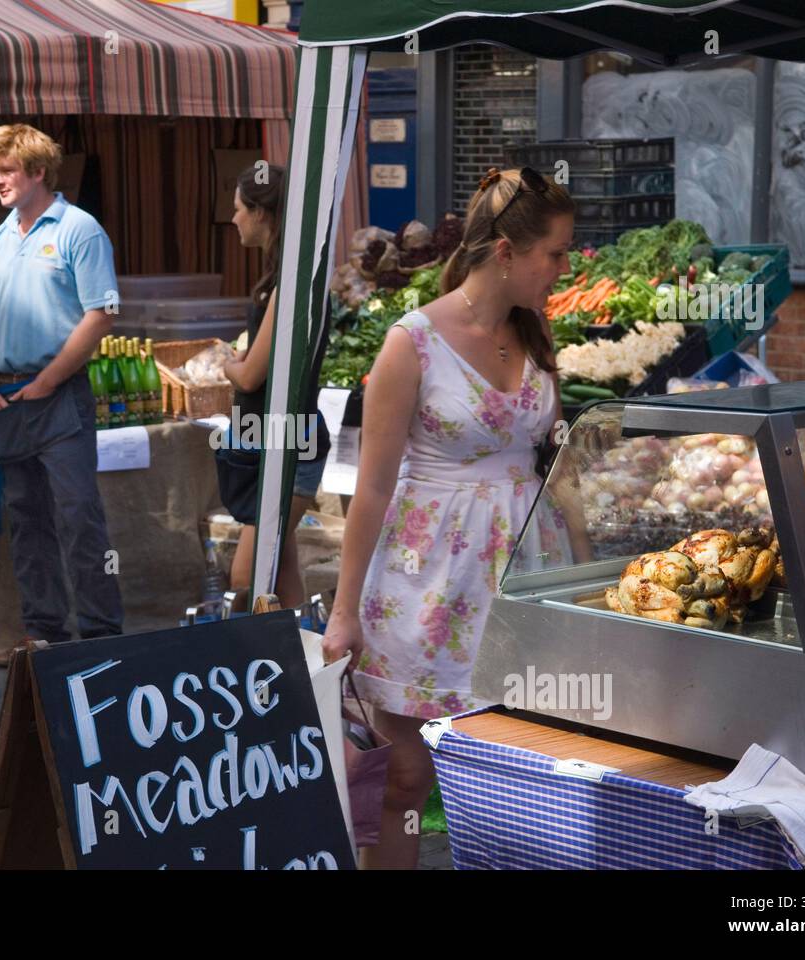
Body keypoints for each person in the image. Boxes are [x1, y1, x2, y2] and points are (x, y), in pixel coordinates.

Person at [321, 166, 580, 868]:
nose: (562, 268)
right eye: (554, 253)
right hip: (427, 577)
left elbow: (554, 463)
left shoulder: (534, 332)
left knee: (521, 770)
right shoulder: (412, 342)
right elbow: (370, 489)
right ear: (505, 252)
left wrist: (587, 574)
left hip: (524, 576)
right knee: (403, 781)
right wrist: (343, 613)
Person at [0, 123, 122, 666]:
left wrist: (52, 379)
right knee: (27, 519)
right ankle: (43, 633)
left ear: (38, 172)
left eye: (8, 170)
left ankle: (102, 636)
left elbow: (101, 313)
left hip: (57, 397)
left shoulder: (80, 230)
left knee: (79, 515)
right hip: (8, 399)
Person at [219, 163, 330, 610]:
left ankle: (263, 670)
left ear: (262, 213)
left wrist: (227, 364)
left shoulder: (293, 285)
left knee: (247, 576)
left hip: (289, 443)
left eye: (239, 209)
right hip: (272, 440)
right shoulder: (287, 279)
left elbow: (250, 376)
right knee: (280, 570)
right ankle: (299, 667)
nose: (234, 219)